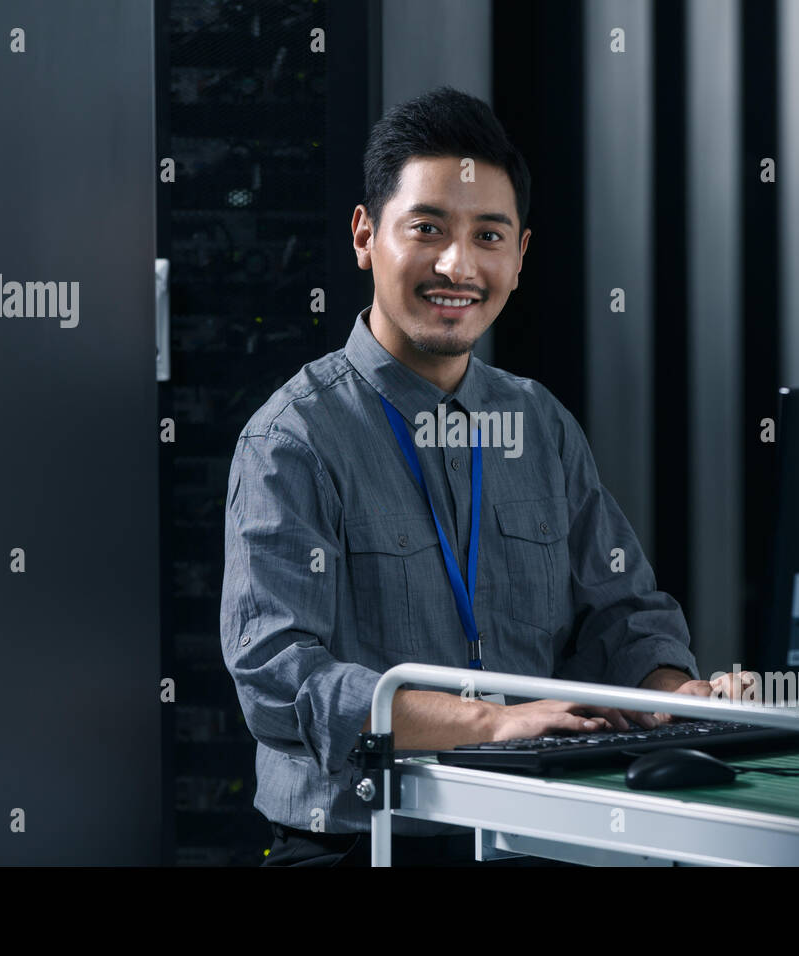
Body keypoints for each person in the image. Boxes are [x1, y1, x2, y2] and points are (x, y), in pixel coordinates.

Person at [220, 86, 753, 867]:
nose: (457, 265)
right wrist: (490, 721)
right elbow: (280, 677)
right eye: (427, 228)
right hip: (361, 844)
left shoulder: (540, 425)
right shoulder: (293, 439)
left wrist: (675, 696)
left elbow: (622, 612)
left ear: (520, 255)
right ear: (366, 236)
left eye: (488, 236)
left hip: (529, 834)